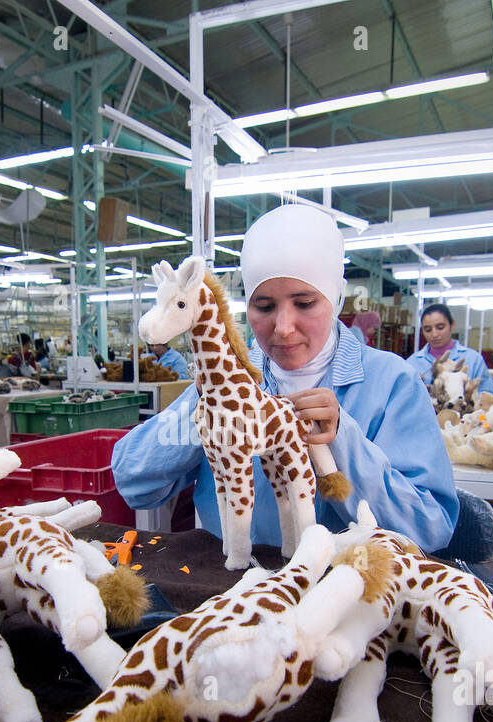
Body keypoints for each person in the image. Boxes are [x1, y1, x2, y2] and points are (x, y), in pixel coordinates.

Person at [112, 203, 460, 555]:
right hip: (231, 591)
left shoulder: (392, 384)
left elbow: (429, 528)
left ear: (335, 299)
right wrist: (202, 403)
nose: (283, 327)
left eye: (305, 303)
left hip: (344, 592)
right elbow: (133, 482)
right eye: (263, 307)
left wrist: (343, 440)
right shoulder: (228, 380)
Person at [406, 303, 493, 398]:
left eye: (440, 327)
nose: (434, 334)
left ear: (452, 325)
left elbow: (489, 397)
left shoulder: (473, 359)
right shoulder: (412, 363)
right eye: (428, 329)